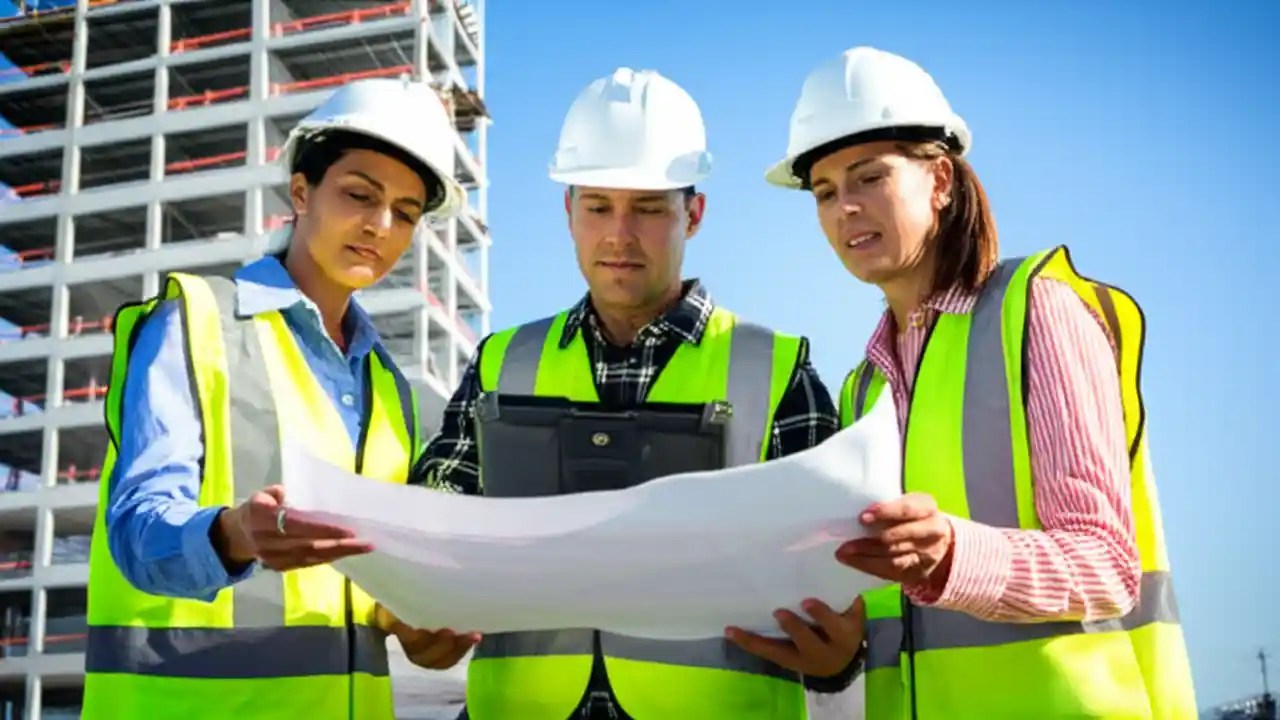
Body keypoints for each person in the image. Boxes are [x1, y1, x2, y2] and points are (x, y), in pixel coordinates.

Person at [412, 67, 863, 720]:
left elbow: (832, 569)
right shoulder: (502, 362)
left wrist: (839, 653)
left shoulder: (776, 369)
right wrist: (426, 592)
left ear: (694, 215)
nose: (620, 234)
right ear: (569, 213)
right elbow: (439, 502)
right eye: (598, 206)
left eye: (649, 208)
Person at [763, 46, 1198, 718]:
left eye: (869, 177)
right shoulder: (860, 393)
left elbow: (1106, 563)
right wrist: (834, 656)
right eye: (824, 193)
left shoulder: (1037, 313)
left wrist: (954, 554)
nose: (845, 207)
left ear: (939, 180)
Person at [82, 77, 478, 719]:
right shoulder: (198, 321)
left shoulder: (386, 385)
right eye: (359, 195)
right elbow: (137, 533)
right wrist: (234, 533)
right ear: (301, 191)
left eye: (405, 213)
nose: (380, 226)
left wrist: (414, 627)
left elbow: (361, 584)